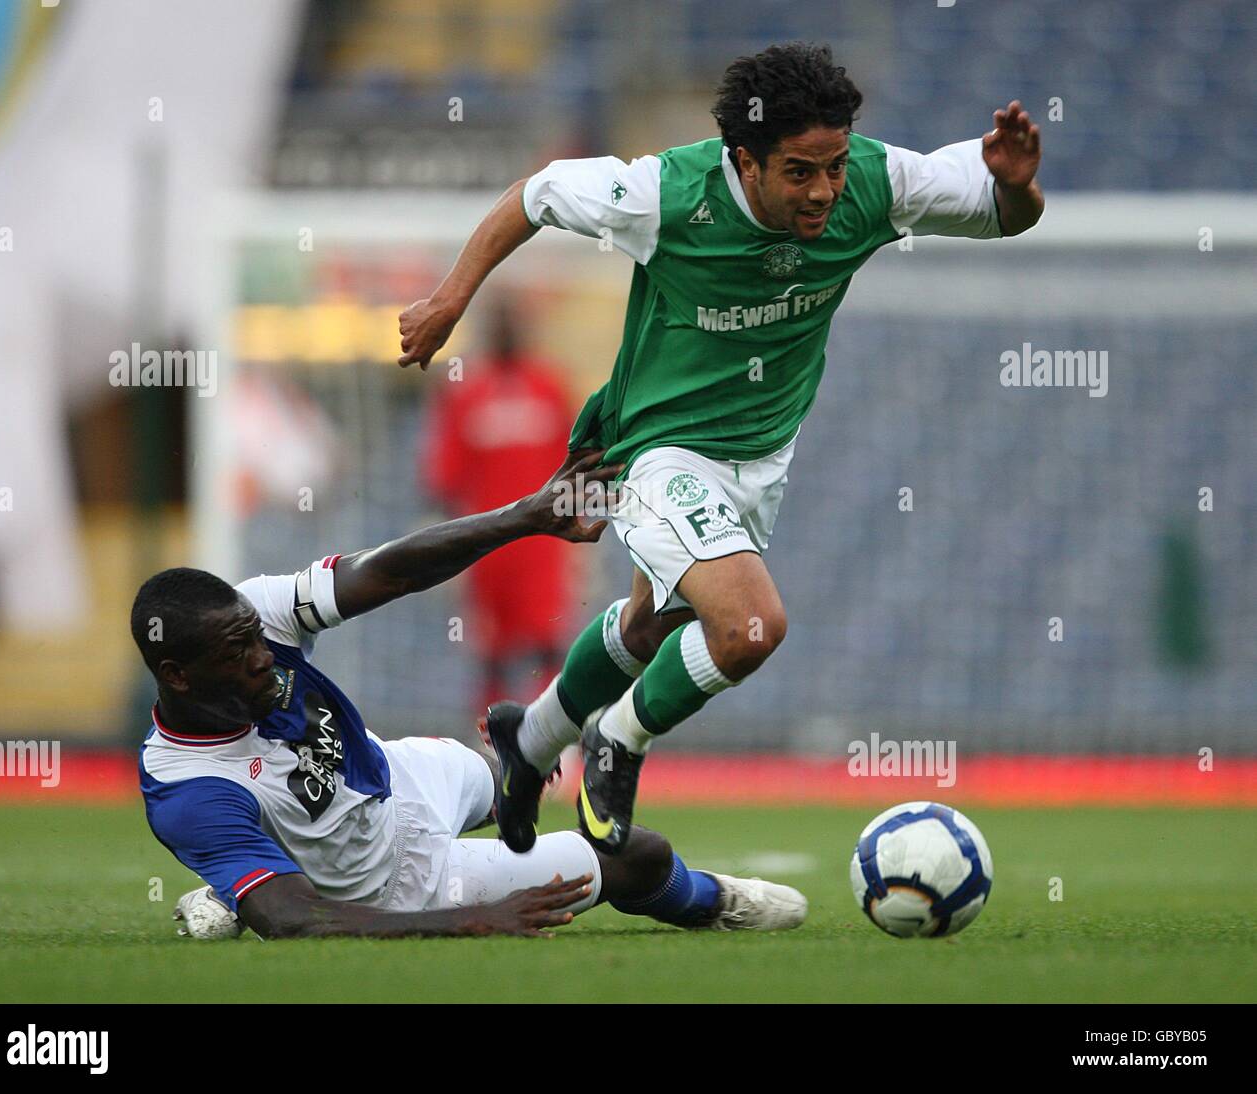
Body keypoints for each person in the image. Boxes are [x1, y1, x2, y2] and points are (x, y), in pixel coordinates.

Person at [397, 41, 1044, 856]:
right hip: (657, 448)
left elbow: (1004, 214)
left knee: (650, 626)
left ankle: (527, 744)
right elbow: (535, 195)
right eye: (800, 172)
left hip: (762, 455)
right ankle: (616, 740)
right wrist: (449, 303)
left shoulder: (878, 182)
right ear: (746, 160)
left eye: (834, 165)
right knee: (748, 629)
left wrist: (1018, 186)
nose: (824, 191)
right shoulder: (667, 193)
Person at [133, 452, 806, 939]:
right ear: (179, 676)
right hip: (396, 880)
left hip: (395, 776)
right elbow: (293, 919)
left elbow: (388, 571)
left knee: (516, 776)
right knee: (640, 858)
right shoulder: (189, 787)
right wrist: (468, 918)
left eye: (256, 639)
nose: (262, 659)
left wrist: (525, 516)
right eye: (236, 655)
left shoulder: (252, 610)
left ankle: (236, 880)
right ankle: (716, 903)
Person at [420, 300, 578, 712]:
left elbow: (578, 462)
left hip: (543, 546)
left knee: (548, 644)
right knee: (491, 655)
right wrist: (445, 550)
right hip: (486, 545)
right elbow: (445, 478)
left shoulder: (550, 387)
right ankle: (491, 744)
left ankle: (556, 739)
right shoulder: (466, 392)